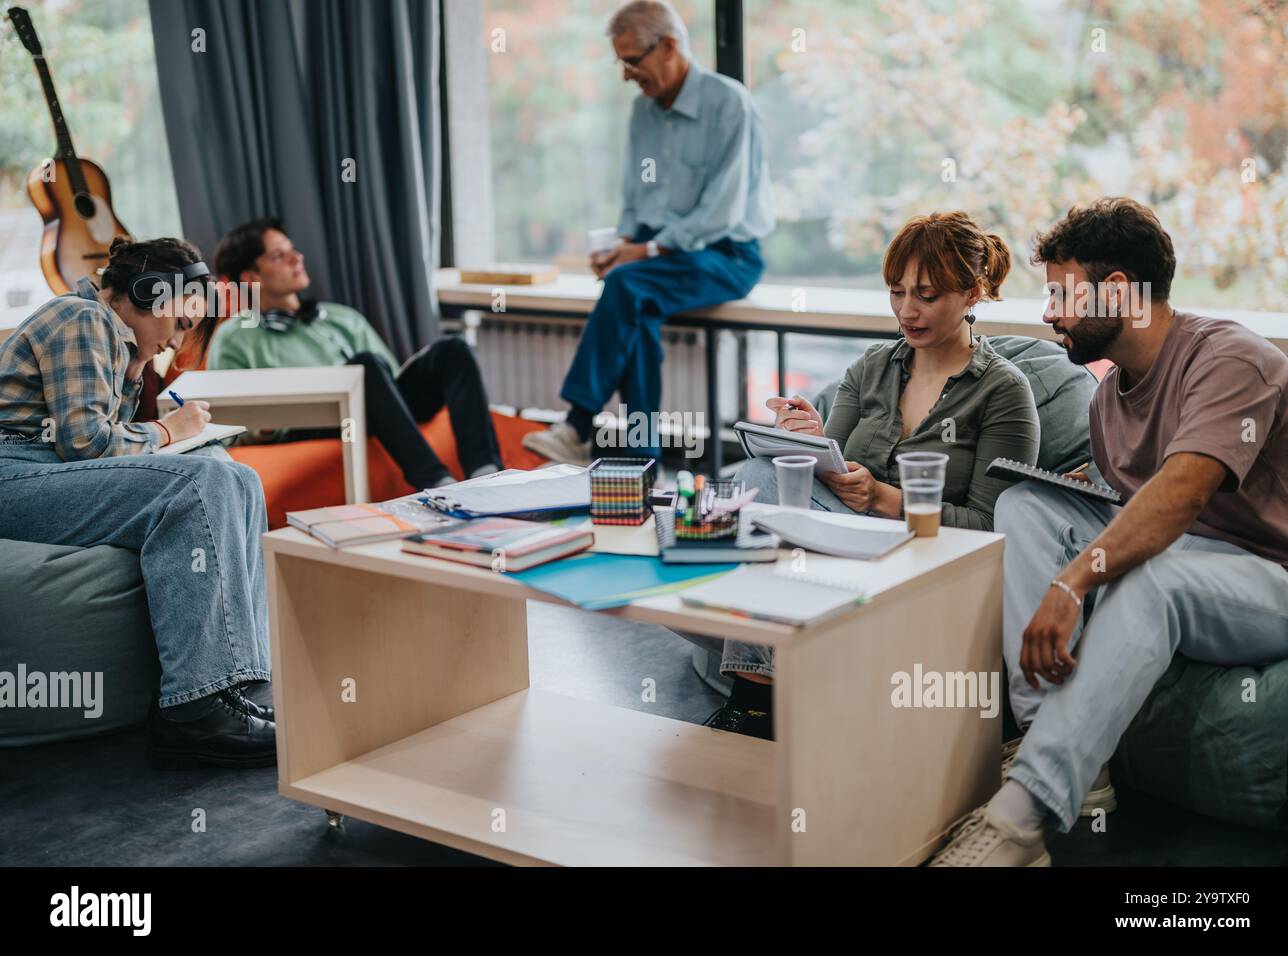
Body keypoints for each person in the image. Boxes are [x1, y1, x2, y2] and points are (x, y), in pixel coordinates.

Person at [929, 197, 1288, 866]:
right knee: (1025, 505)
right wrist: (1079, 501)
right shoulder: (1108, 398)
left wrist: (1073, 581)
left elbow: (1181, 494)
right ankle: (1059, 746)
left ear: (1120, 292)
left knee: (1154, 581)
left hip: (1275, 581)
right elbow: (1132, 501)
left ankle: (1019, 818)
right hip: (1192, 558)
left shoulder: (1230, 358)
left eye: (1061, 295)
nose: (1048, 315)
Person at [683, 212, 1041, 739]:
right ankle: (762, 683)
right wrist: (806, 439)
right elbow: (835, 467)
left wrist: (885, 498)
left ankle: (755, 700)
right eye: (896, 292)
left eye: (927, 295)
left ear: (971, 294)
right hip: (848, 537)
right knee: (766, 469)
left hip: (931, 551)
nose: (906, 310)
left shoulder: (1003, 391)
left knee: (763, 486)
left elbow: (994, 527)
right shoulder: (872, 366)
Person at [0, 236, 276, 769]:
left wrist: (133, 371)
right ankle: (192, 710)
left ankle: (242, 680)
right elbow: (86, 444)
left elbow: (96, 442)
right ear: (150, 294)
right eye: (177, 326)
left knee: (238, 479)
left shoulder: (114, 339)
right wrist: (168, 431)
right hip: (14, 474)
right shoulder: (81, 319)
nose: (174, 344)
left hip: (44, 472)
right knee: (199, 484)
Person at [523, 0, 772, 465]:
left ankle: (578, 424)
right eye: (621, 63)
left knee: (627, 287)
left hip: (728, 257)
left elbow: (723, 210)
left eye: (632, 61)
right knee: (634, 313)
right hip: (660, 259)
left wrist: (647, 250)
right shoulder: (643, 113)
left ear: (669, 46)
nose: (626, 74)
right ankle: (642, 460)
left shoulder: (729, 104)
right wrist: (621, 245)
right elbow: (637, 199)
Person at [207, 217, 502, 489]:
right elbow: (224, 427)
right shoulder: (234, 338)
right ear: (250, 278)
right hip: (314, 421)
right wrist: (265, 427)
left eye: (292, 250)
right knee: (364, 365)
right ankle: (437, 482)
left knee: (452, 349)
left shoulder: (340, 317)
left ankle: (486, 473)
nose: (297, 258)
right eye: (278, 256)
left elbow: (390, 378)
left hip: (375, 408)